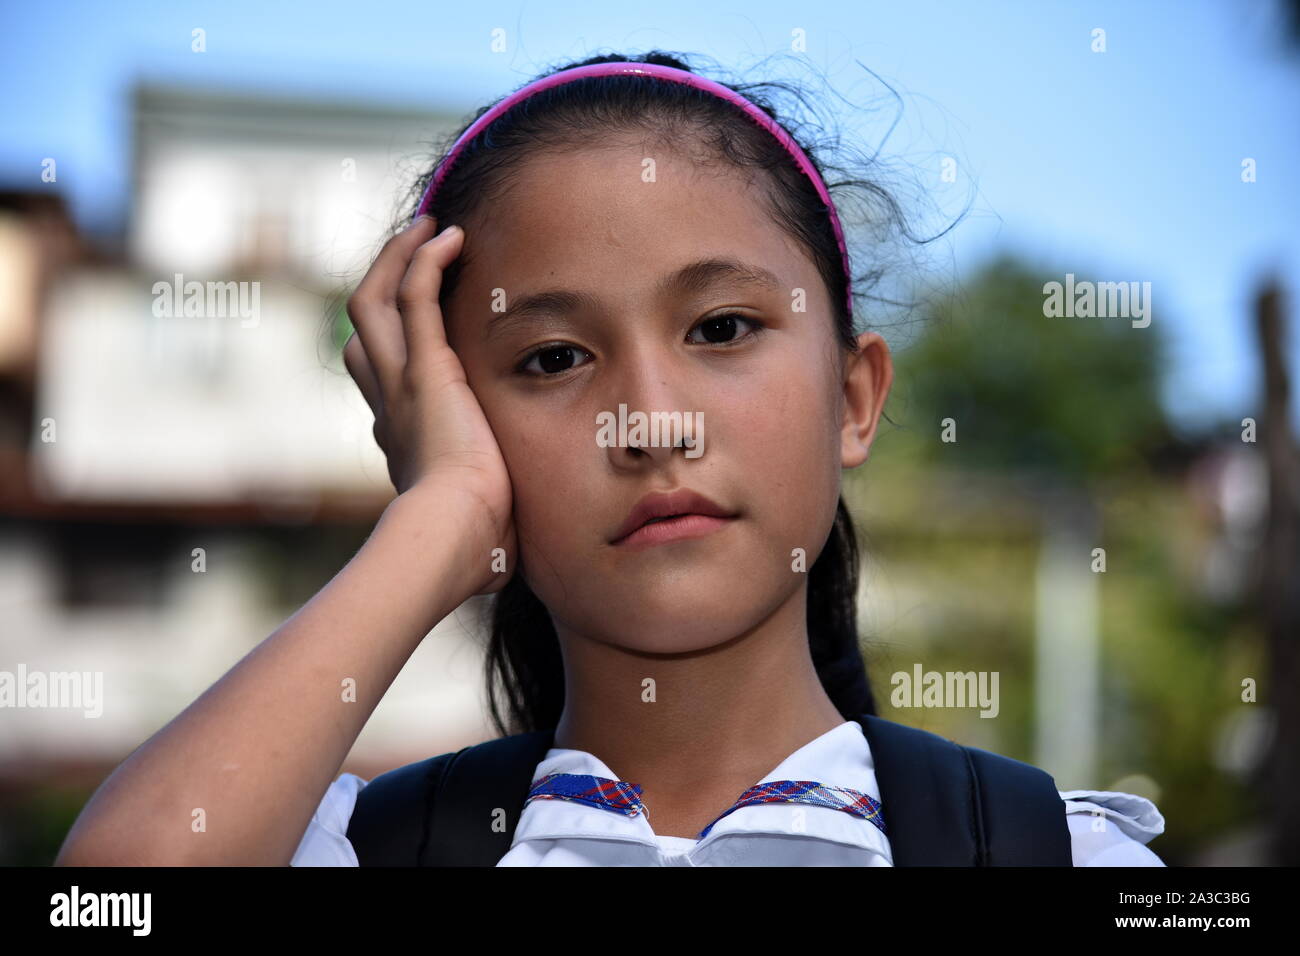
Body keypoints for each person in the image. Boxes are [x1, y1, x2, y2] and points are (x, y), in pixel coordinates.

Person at [56, 51, 1165, 868]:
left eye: (722, 329)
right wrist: (438, 520)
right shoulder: (371, 847)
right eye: (550, 356)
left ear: (853, 394)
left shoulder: (1057, 853)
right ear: (459, 422)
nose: (649, 421)